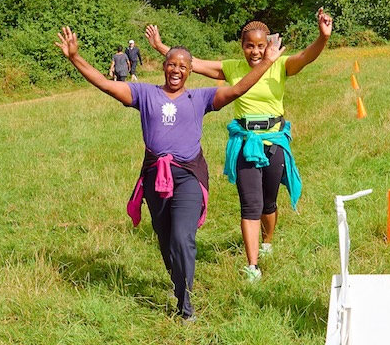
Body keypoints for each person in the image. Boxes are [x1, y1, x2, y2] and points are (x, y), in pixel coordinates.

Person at [55, 26, 284, 321]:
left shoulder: (200, 99)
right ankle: (179, 284)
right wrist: (75, 57)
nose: (176, 70)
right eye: (172, 64)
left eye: (183, 66)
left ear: (190, 71)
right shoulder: (144, 93)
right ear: (164, 66)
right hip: (154, 176)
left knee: (181, 236)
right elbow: (104, 83)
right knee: (164, 238)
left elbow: (238, 89)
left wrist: (266, 62)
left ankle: (186, 307)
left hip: (188, 174)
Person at [146, 8, 333, 282]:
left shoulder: (279, 65)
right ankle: (252, 266)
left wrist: (322, 37)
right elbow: (192, 62)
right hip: (245, 142)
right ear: (242, 46)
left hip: (274, 140)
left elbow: (306, 57)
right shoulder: (231, 67)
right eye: (249, 46)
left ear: (267, 45)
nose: (255, 52)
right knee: (250, 205)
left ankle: (267, 240)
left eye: (260, 46)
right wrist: (162, 47)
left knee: (268, 202)